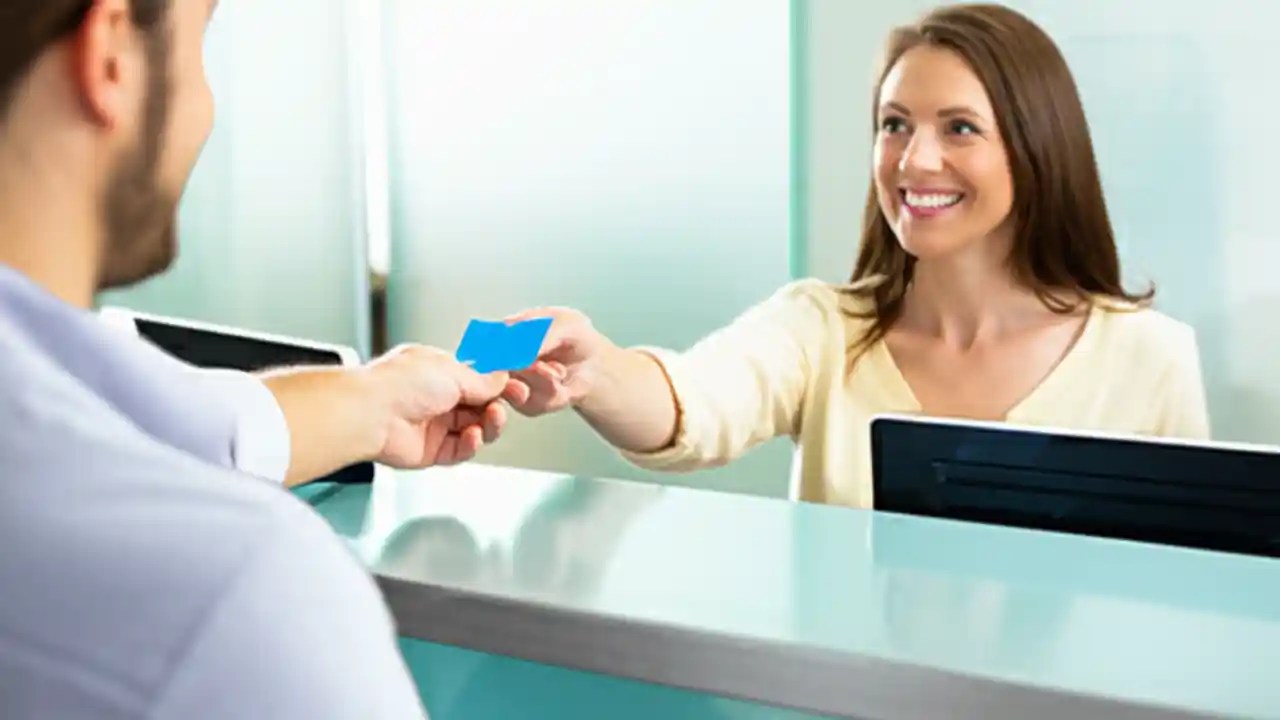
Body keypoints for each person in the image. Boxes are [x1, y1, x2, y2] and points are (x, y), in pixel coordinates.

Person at [0, 1, 520, 717]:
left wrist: (371, 398)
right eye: (201, 39)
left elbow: (122, 418)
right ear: (112, 54)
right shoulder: (241, 608)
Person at [501, 3, 1211, 509]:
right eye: (894, 124)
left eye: (960, 128)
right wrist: (595, 372)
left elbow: (1186, 593)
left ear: (1037, 151)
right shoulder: (821, 330)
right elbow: (696, 403)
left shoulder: (1150, 358)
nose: (914, 159)